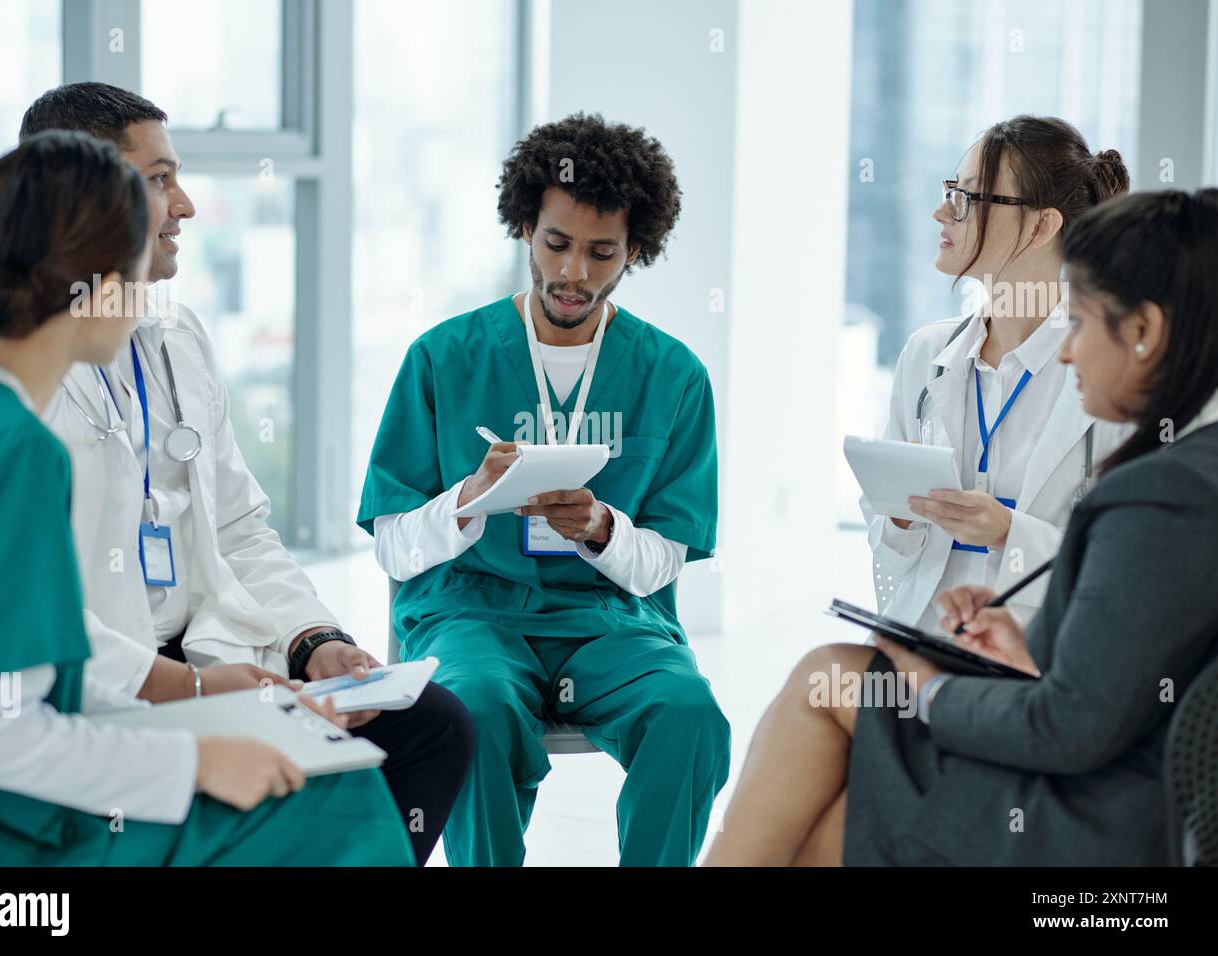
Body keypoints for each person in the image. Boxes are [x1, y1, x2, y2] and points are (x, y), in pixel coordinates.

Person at [0, 82, 473, 867]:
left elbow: (235, 529)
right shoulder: (12, 447)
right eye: (157, 186)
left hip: (17, 766)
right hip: (9, 832)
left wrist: (293, 655)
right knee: (339, 804)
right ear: (98, 277)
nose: (181, 210)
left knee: (407, 737)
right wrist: (199, 748)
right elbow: (1, 726)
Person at [705, 188, 1218, 866]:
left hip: (1098, 815)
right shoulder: (1189, 469)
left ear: (1145, 329)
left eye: (1085, 321)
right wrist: (1027, 653)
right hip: (1113, 774)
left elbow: (1070, 729)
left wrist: (933, 689)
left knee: (828, 736)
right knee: (827, 711)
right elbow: (1131, 665)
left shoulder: (1164, 494)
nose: (1069, 354)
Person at [358, 113, 729, 866]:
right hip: (471, 611)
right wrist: (471, 496)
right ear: (525, 225)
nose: (573, 275)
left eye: (603, 254)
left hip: (614, 622)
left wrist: (599, 528)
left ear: (637, 252)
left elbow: (664, 561)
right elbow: (394, 544)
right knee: (475, 710)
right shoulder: (442, 358)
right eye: (557, 244)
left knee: (690, 715)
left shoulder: (674, 375)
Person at [865, 116, 1135, 634]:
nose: (941, 211)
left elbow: (1129, 565)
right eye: (950, 192)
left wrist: (1009, 532)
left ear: (1041, 226)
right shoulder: (927, 354)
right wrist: (899, 520)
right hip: (924, 633)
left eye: (967, 198)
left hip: (1041, 648)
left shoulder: (1110, 373)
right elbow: (893, 560)